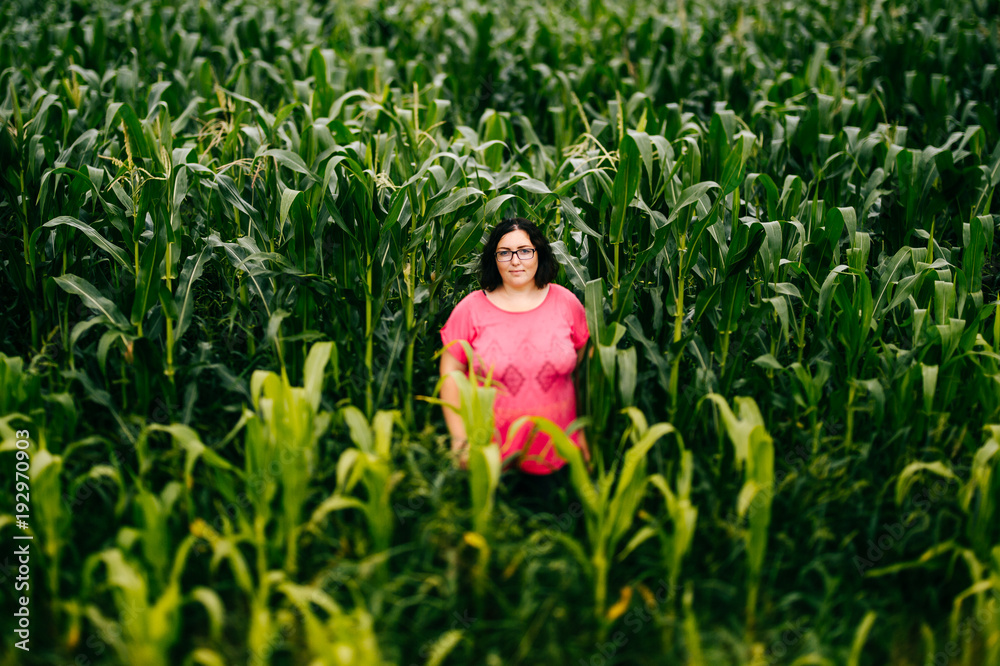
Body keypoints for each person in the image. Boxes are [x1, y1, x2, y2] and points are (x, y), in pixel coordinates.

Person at [438, 217, 591, 480]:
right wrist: (460, 440)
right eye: (504, 253)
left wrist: (585, 435)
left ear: (539, 254)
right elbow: (450, 375)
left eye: (524, 251)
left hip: (559, 452)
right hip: (490, 457)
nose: (515, 261)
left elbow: (585, 369)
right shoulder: (471, 308)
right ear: (493, 260)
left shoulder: (566, 302)